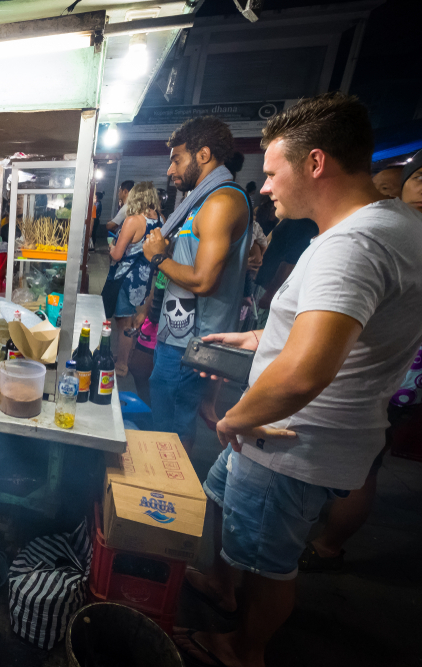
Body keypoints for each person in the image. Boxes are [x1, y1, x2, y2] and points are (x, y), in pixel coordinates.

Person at [174, 92, 422, 667]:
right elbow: (338, 330)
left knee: (269, 563)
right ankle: (221, 584)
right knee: (225, 506)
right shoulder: (394, 223)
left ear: (316, 164)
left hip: (288, 439)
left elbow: (307, 369)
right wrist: (255, 339)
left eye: (271, 172)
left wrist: (235, 418)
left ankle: (242, 648)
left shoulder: (353, 245)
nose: (264, 188)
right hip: (306, 431)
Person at [297, 150, 422, 574]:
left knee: (362, 465)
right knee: (362, 460)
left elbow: (310, 366)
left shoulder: (366, 240)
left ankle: (328, 544)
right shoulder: (398, 232)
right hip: (382, 377)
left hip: (374, 383)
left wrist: (238, 418)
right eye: (419, 178)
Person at [141, 115, 251, 451]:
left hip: (192, 342)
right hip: (177, 333)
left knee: (172, 425)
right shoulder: (199, 202)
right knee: (168, 414)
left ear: (202, 155)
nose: (171, 170)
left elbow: (204, 281)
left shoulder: (221, 201)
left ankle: (171, 493)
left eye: (177, 159)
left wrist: (159, 257)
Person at [104, 182, 162, 377]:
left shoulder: (133, 221)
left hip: (125, 278)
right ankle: (126, 357)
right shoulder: (161, 220)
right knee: (133, 320)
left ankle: (121, 365)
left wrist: (111, 248)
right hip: (144, 279)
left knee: (124, 323)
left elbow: (118, 255)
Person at [253, 217, 318, 326]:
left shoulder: (305, 224)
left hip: (272, 289)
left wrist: (270, 294)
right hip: (264, 284)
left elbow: (290, 263)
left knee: (260, 327)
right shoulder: (292, 218)